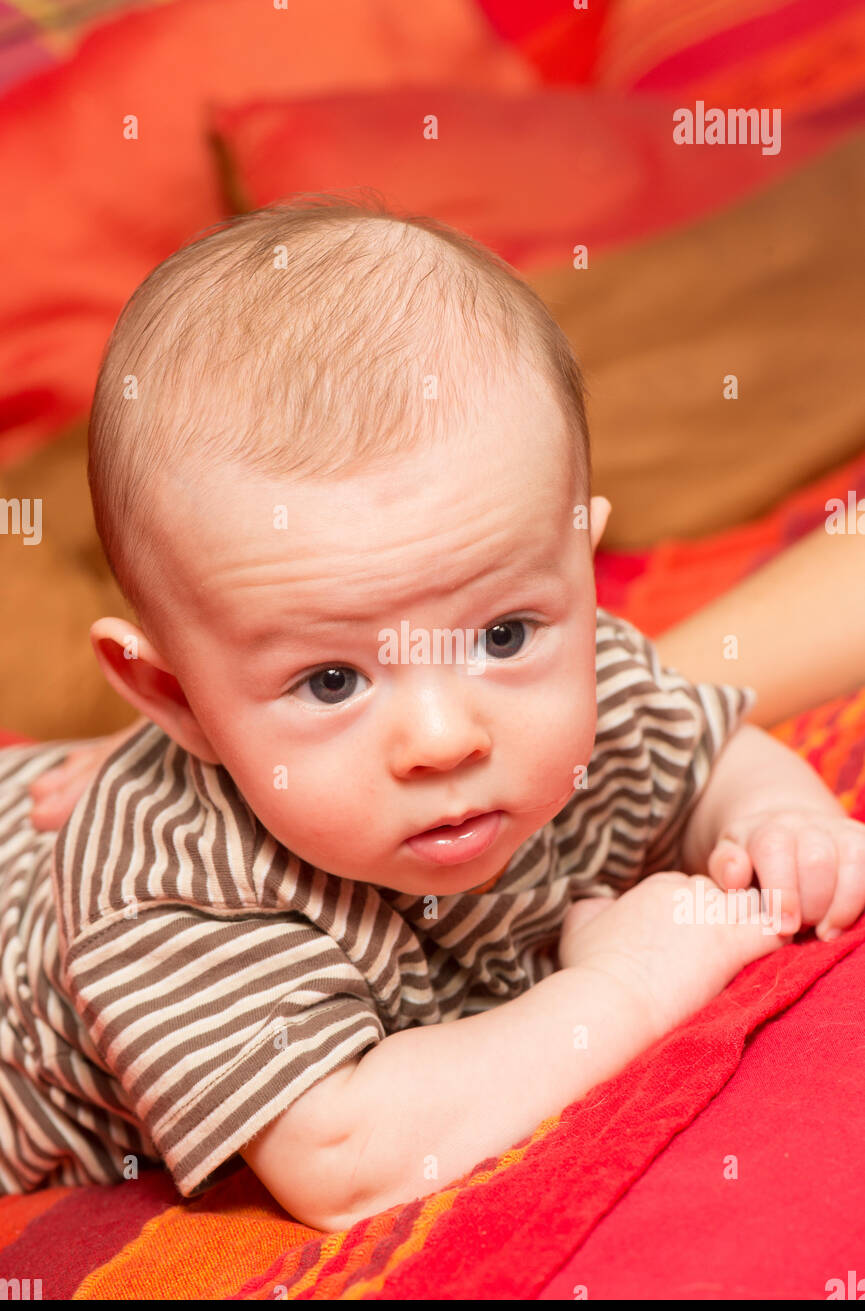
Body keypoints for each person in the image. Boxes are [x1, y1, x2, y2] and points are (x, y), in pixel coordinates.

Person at [2, 193, 862, 1229]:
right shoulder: (175, 886)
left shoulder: (582, 686)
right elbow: (349, 1155)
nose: (447, 737)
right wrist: (627, 988)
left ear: (580, 574)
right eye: (331, 681)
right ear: (172, 699)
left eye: (502, 634)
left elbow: (710, 752)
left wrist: (783, 820)